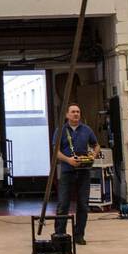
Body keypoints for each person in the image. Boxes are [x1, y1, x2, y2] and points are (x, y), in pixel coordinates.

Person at [55, 102, 99, 245]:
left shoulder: (86, 130)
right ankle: (60, 234)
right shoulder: (61, 130)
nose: (76, 114)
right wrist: (68, 160)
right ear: (67, 115)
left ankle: (79, 235)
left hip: (84, 172)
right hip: (67, 171)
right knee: (63, 204)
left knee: (83, 204)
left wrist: (93, 155)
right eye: (73, 112)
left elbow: (96, 145)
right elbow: (56, 152)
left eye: (78, 112)